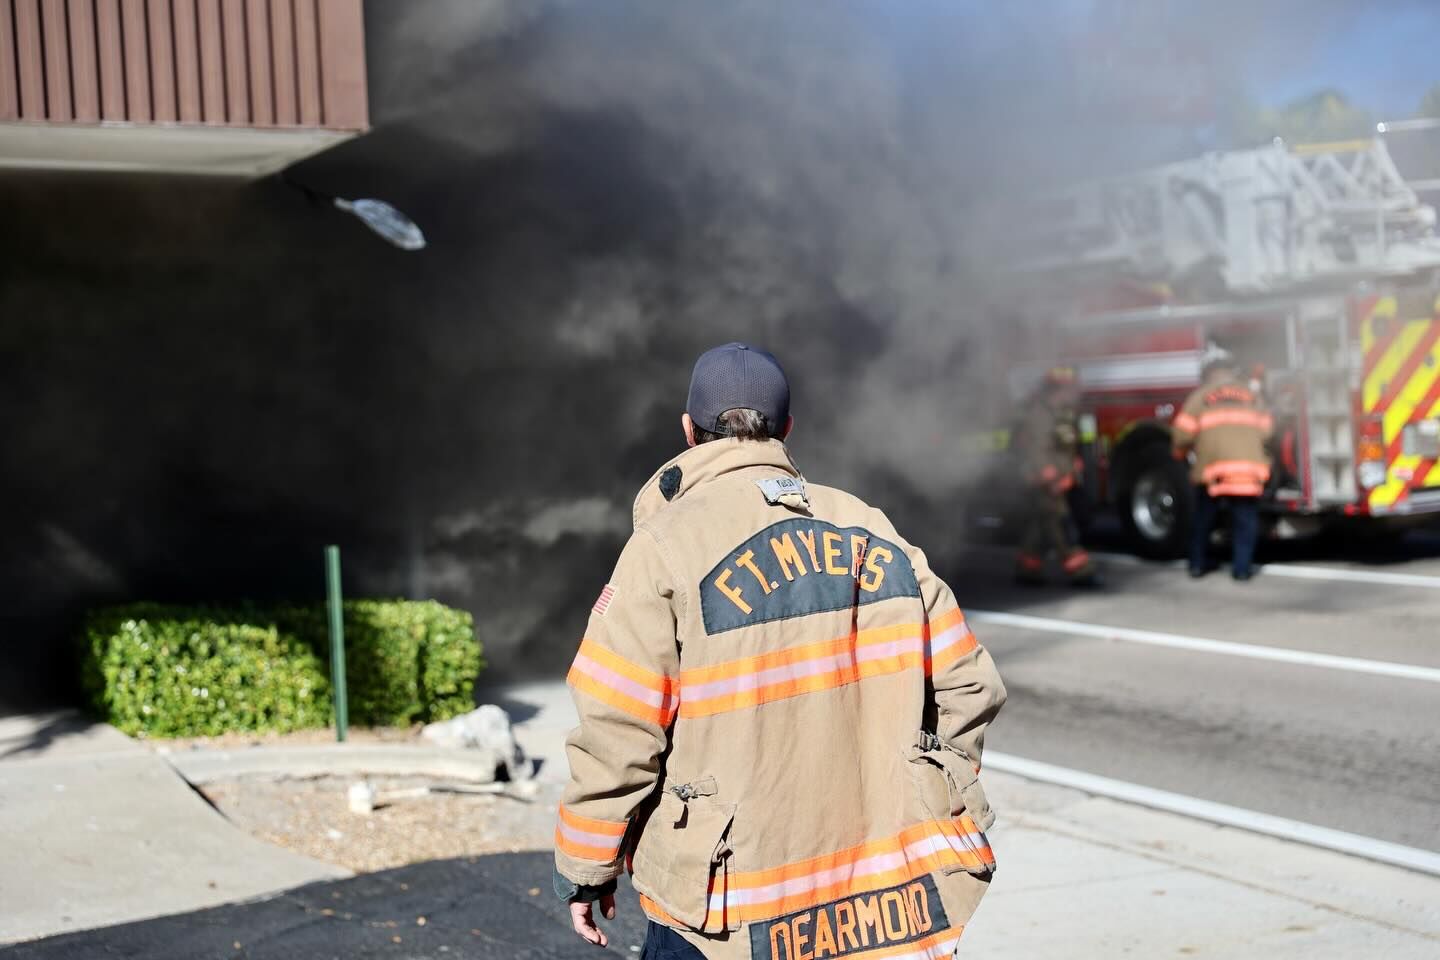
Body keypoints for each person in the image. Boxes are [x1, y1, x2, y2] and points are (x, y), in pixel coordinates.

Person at [554, 343, 1007, 960]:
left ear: (689, 433)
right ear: (786, 431)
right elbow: (970, 684)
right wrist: (925, 792)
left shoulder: (664, 547)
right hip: (883, 907)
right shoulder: (869, 526)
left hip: (727, 913)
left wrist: (586, 865)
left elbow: (619, 728)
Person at [1172, 347, 1274, 581]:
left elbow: (1181, 435)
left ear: (1208, 372)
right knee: (1245, 523)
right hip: (1247, 472)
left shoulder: (1200, 397)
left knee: (1203, 520)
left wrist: (1180, 455)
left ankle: (1197, 565)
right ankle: (1241, 569)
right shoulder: (1251, 395)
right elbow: (1267, 431)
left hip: (1212, 471)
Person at [1012, 366, 1098, 586]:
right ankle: (1080, 570)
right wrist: (1050, 476)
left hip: (1060, 477)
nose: (1069, 394)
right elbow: (1036, 449)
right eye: (1065, 390)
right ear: (1053, 390)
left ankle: (1027, 567)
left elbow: (1067, 444)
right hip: (1044, 480)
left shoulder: (1064, 413)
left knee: (1040, 525)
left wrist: (1074, 466)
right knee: (1059, 522)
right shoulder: (1040, 414)